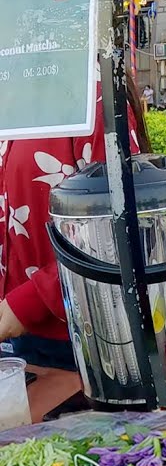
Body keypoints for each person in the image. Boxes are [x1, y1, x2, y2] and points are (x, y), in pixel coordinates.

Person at [0, 80, 146, 371]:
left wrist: (30, 301)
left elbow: (118, 228)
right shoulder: (13, 97)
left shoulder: (92, 98)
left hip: (85, 335)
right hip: (20, 334)